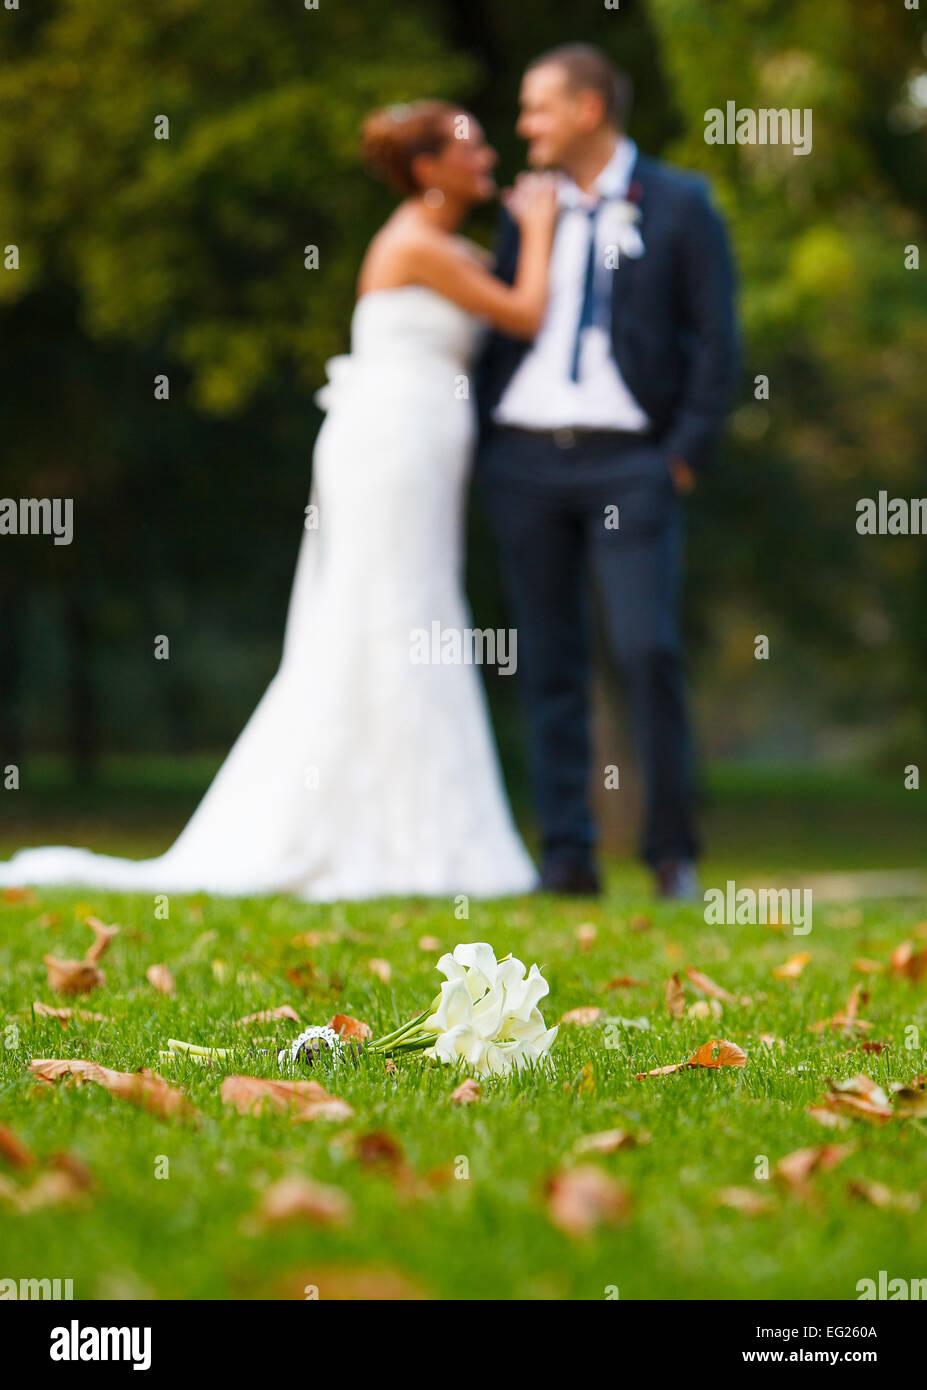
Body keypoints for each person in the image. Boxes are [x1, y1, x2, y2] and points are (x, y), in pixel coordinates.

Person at [0, 102, 557, 901]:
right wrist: (537, 225)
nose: (488, 154)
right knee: (397, 614)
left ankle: (420, 827)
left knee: (413, 611)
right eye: (470, 145)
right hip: (391, 444)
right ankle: (398, 837)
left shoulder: (440, 246)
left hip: (420, 442)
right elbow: (524, 311)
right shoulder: (411, 245)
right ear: (428, 167)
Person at [477, 45, 739, 899]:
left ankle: (670, 854)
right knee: (547, 660)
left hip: (631, 461)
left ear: (587, 109)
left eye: (537, 107)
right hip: (525, 456)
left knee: (645, 647)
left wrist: (682, 459)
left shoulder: (679, 204)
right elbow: (501, 325)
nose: (524, 126)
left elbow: (717, 340)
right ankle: (567, 857)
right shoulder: (528, 207)